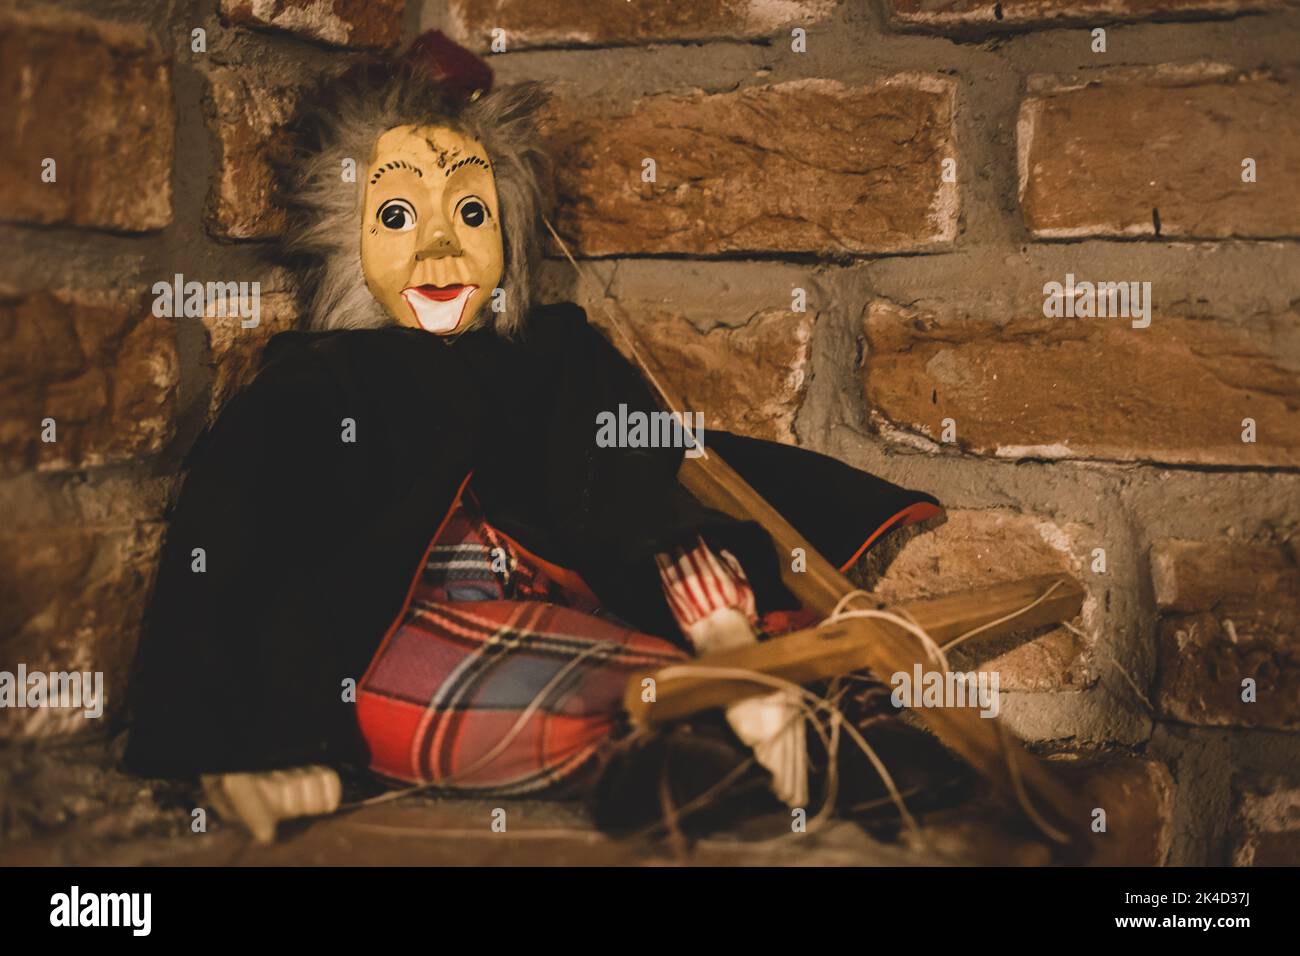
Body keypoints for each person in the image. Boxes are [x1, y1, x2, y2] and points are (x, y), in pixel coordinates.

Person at [123, 36, 949, 842]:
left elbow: (640, 492)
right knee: (438, 693)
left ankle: (818, 728)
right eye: (400, 215)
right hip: (414, 623)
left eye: (471, 212)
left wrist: (722, 626)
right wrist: (244, 747)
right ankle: (665, 751)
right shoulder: (320, 383)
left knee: (751, 638)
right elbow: (233, 537)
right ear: (347, 236)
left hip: (569, 597)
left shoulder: (552, 356)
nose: (442, 245)